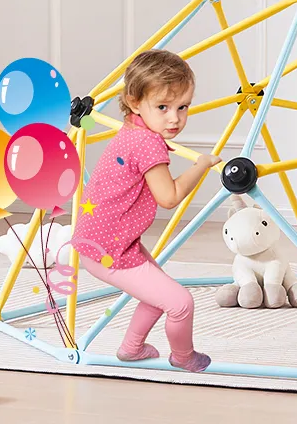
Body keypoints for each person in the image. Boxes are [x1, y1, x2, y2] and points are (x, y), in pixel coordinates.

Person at [70, 49, 220, 372]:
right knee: (181, 303)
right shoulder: (148, 144)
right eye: (163, 107)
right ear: (135, 102)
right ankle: (183, 358)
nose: (175, 118)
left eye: (183, 107)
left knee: (158, 292)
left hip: (103, 242)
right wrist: (201, 165)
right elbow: (170, 196)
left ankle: (131, 348)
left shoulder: (133, 129)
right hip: (111, 251)